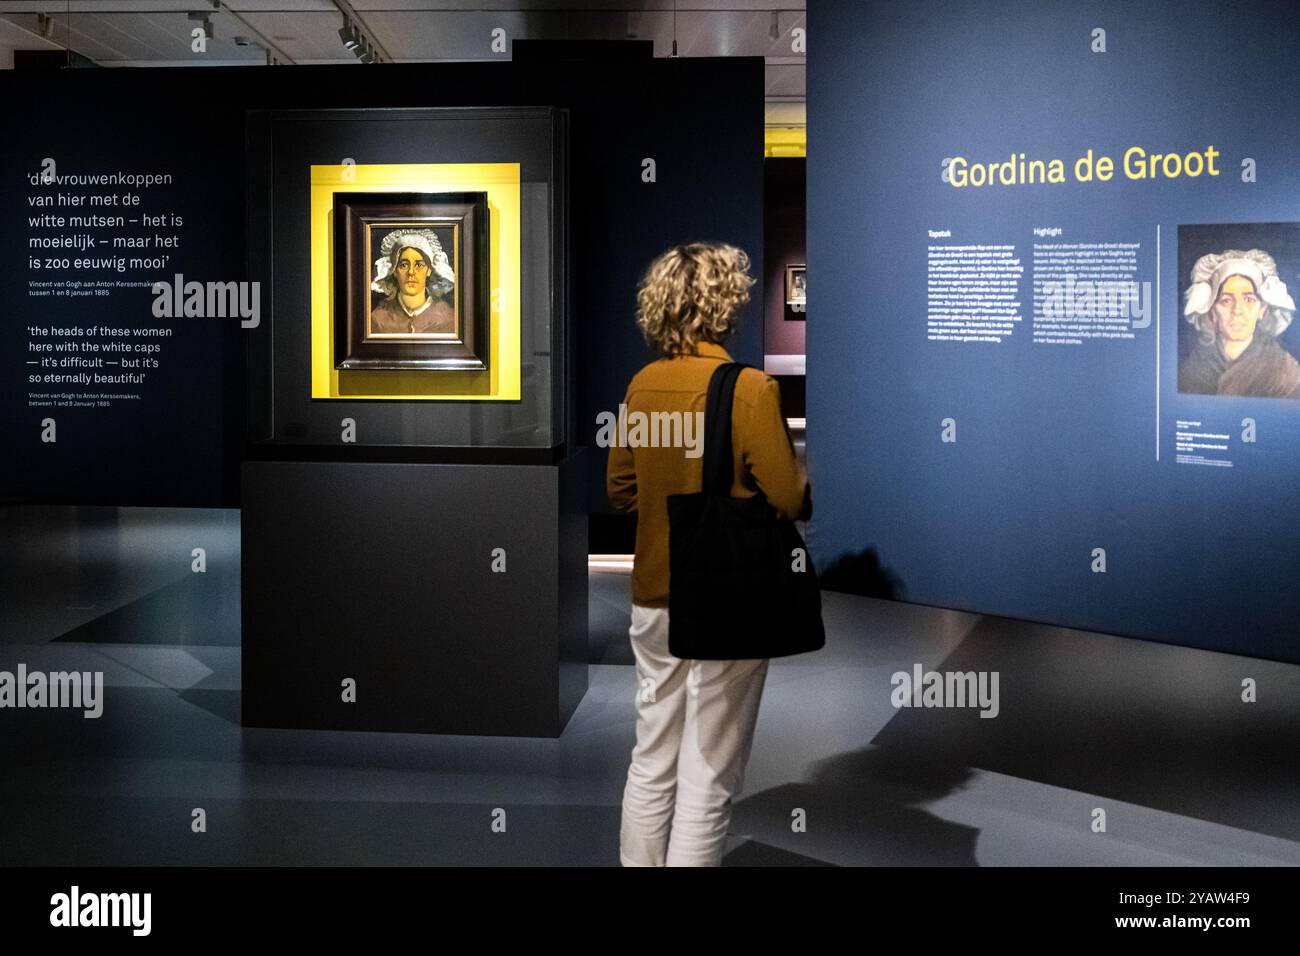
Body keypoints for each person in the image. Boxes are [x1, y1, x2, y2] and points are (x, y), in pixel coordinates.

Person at [607, 241, 812, 867]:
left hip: (654, 596)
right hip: (728, 600)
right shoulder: (752, 390)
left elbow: (619, 492)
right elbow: (788, 495)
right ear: (725, 305)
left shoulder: (642, 385)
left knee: (652, 756)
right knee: (711, 772)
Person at [1179, 248, 1300, 398]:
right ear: (1212, 310)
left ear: (1262, 309)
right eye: (1226, 300)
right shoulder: (1191, 367)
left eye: (1249, 300)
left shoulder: (1286, 372)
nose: (1237, 310)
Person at [369, 228, 456, 334]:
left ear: (429, 270)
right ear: (394, 271)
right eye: (403, 265)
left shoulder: (448, 318)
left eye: (419, 265)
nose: (411, 272)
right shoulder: (378, 319)